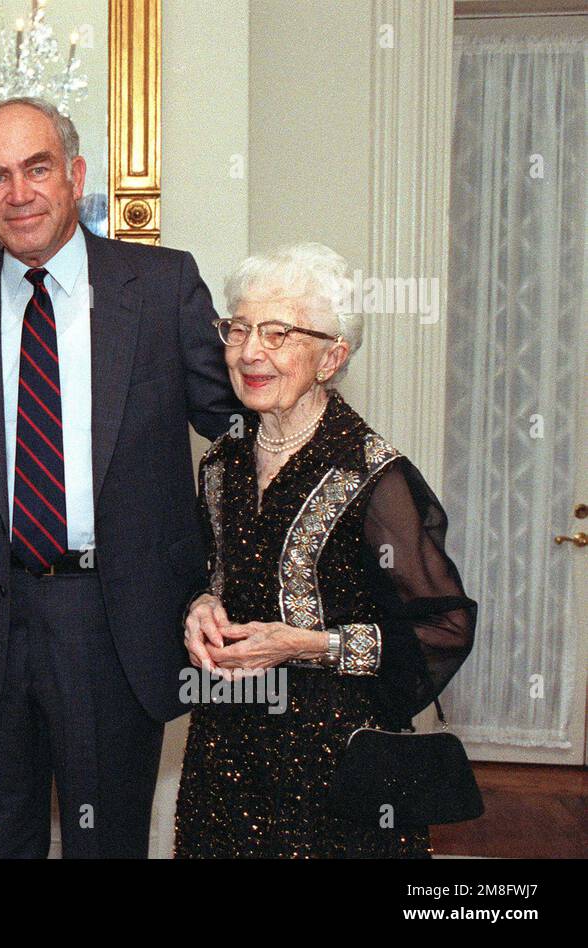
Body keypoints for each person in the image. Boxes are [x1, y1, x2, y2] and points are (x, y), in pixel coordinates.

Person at [0, 97, 240, 858]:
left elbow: (233, 431)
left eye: (37, 168)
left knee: (107, 842)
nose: (18, 193)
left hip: (115, 622)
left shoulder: (160, 286)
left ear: (76, 175)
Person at [174, 243, 476, 857]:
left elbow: (446, 626)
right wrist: (200, 602)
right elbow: (211, 571)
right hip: (224, 746)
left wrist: (309, 643)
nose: (251, 351)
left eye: (279, 333)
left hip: (335, 761)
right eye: (239, 329)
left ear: (330, 358)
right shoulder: (221, 463)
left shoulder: (373, 474)